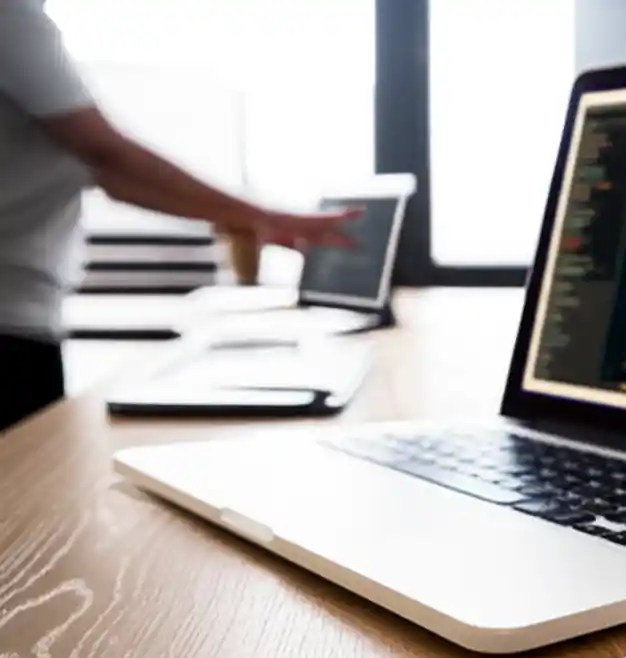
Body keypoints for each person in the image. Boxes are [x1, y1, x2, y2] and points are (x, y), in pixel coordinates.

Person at [0, 0, 359, 432]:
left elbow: (114, 175)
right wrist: (265, 218)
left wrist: (257, 219)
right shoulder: (11, 16)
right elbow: (109, 156)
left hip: (23, 319)